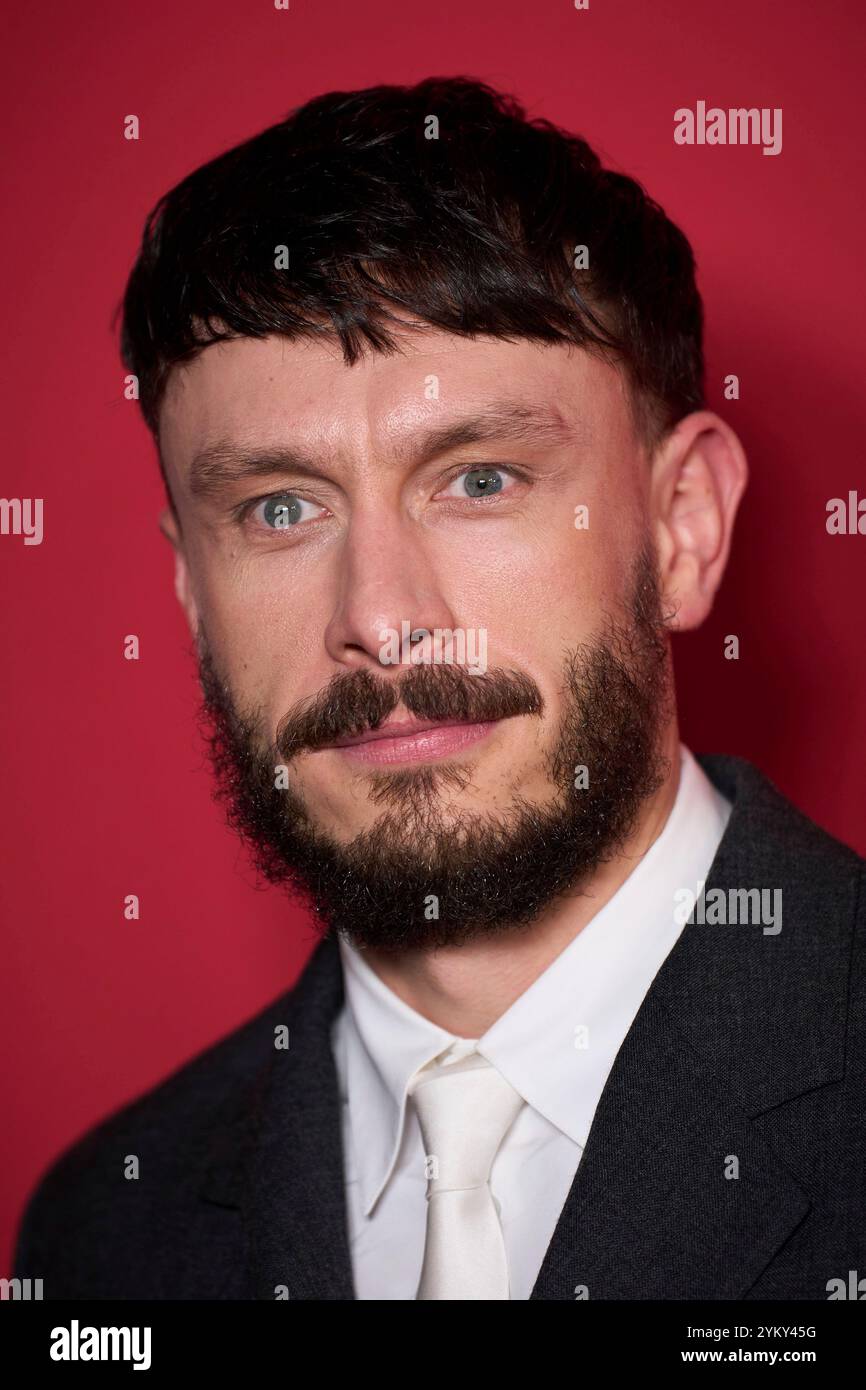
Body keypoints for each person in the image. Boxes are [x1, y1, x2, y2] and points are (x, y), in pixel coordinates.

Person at [14, 76, 865, 1301]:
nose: (381, 620)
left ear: (680, 527)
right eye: (279, 508)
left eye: (479, 481)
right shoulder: (105, 1231)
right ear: (193, 595)